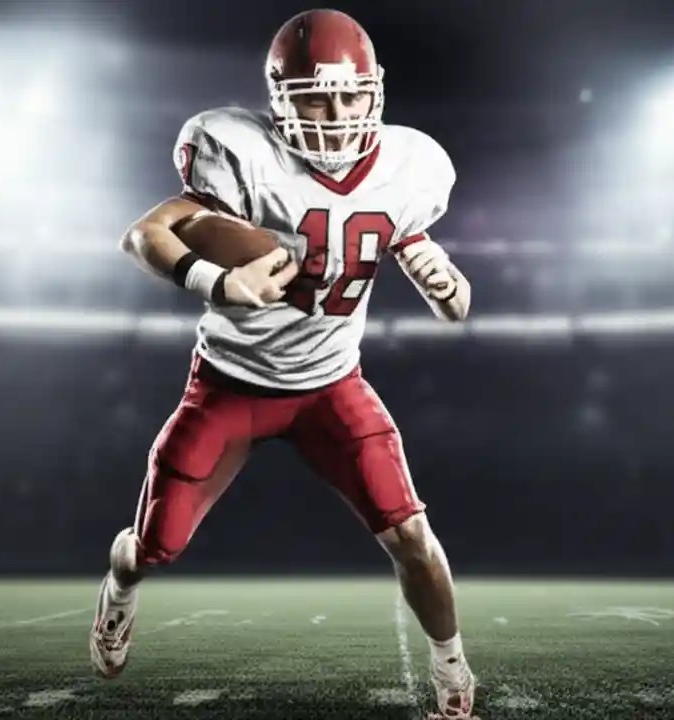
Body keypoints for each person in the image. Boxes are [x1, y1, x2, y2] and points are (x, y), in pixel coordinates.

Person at [89, 8, 477, 718]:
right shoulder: (239, 151)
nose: (335, 114)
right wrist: (217, 282)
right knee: (153, 546)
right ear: (278, 99)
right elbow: (145, 234)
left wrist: (440, 276)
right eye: (314, 97)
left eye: (349, 96)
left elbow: (445, 289)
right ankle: (119, 589)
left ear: (375, 93)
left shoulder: (409, 167)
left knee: (413, 536)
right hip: (230, 385)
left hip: (331, 385)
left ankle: (452, 664)